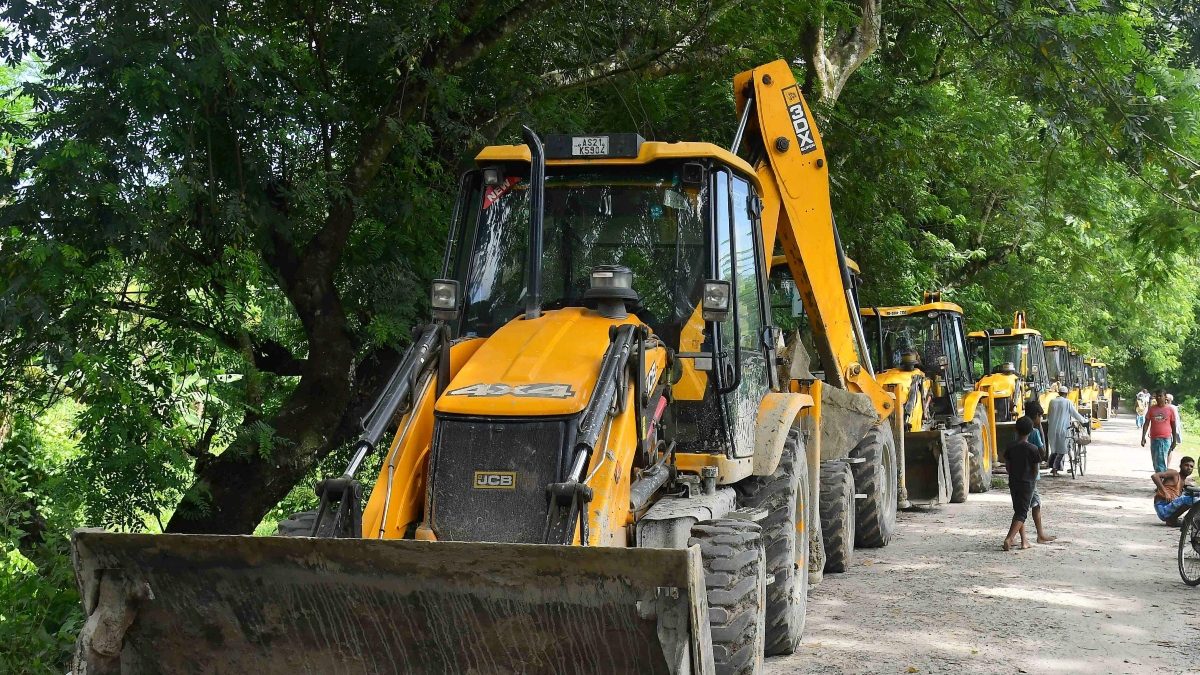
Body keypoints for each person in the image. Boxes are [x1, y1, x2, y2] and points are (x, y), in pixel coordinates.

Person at [1003, 416, 1040, 550]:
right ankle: (1009, 538)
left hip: (1013, 482)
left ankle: (1024, 541)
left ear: (1016, 429)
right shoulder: (1033, 449)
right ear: (1031, 431)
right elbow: (1035, 470)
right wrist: (1033, 481)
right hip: (1027, 483)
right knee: (1022, 513)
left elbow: (1008, 466)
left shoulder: (1010, 447)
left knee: (1018, 510)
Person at [1021, 402, 1055, 543]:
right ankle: (1038, 535)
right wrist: (1041, 429)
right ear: (1036, 416)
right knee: (1032, 506)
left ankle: (1023, 538)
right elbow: (1043, 452)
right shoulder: (1034, 432)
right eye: (1040, 417)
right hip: (1032, 474)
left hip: (1020, 473)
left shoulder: (1019, 431)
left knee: (1022, 506)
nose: (1040, 419)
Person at [1047, 386, 1088, 476]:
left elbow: (1049, 415)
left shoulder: (1052, 401)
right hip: (1063, 429)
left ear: (1059, 393)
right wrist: (1084, 420)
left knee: (1054, 449)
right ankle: (1055, 468)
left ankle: (1052, 466)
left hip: (1052, 429)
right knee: (1062, 449)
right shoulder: (1067, 402)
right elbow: (1074, 414)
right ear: (1066, 394)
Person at [1151, 456, 1197, 526]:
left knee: (1196, 496)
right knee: (1191, 499)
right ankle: (1184, 520)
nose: (1189, 468)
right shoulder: (1174, 473)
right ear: (1180, 466)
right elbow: (1155, 476)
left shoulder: (1185, 482)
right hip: (1163, 508)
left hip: (1169, 512)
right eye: (1186, 465)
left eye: (1191, 466)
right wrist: (1165, 492)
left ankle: (1173, 520)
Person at [1142, 390, 1178, 474]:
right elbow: (1146, 423)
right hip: (1154, 438)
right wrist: (1143, 437)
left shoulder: (1170, 409)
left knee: (1160, 460)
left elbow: (1173, 425)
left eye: (1160, 396)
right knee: (1155, 460)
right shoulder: (1152, 409)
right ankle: (1160, 477)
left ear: (1165, 397)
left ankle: (1161, 479)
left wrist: (1174, 440)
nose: (1158, 398)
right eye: (1157, 396)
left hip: (1165, 439)